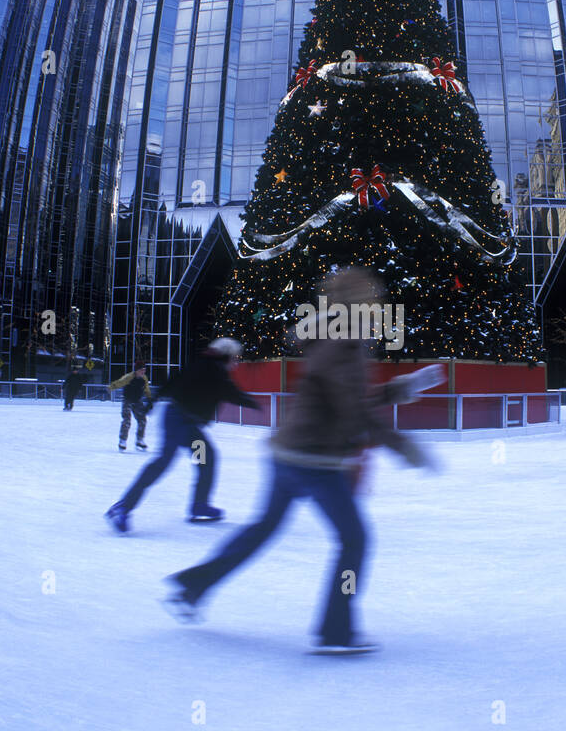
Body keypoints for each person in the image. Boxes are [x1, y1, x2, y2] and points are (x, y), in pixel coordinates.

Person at [165, 269, 446, 655]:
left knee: (262, 530)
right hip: (314, 461)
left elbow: (351, 401)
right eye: (372, 301)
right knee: (354, 540)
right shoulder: (343, 346)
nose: (377, 308)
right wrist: (404, 447)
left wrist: (406, 386)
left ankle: (192, 585)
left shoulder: (335, 340)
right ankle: (336, 630)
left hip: (289, 457)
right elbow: (354, 413)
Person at [106, 339, 260, 530]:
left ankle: (199, 505)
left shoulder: (207, 365)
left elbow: (174, 380)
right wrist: (255, 404)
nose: (235, 362)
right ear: (227, 354)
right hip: (177, 422)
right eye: (235, 357)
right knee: (163, 462)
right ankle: (122, 507)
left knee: (205, 459)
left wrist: (153, 403)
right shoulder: (213, 368)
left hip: (189, 426)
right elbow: (229, 392)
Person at [109, 361, 153, 450]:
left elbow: (146, 389)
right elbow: (119, 382)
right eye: (141, 370)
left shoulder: (144, 378)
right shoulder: (129, 377)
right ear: (136, 370)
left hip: (137, 401)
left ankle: (139, 440)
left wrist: (149, 399)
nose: (143, 372)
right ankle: (122, 441)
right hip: (127, 400)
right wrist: (111, 387)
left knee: (142, 420)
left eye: (144, 370)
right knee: (127, 421)